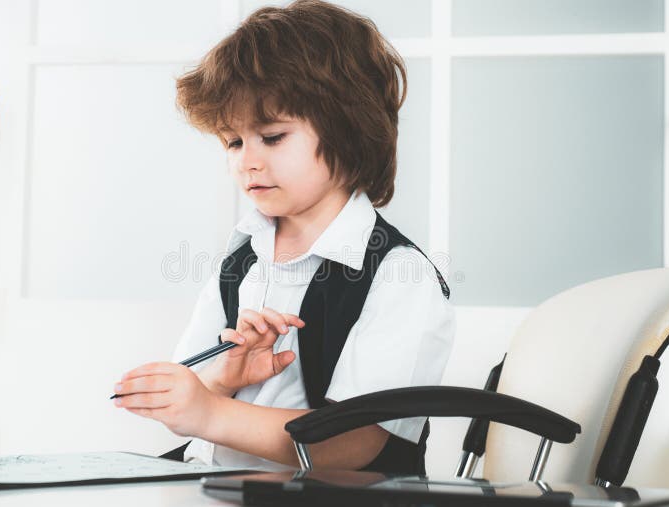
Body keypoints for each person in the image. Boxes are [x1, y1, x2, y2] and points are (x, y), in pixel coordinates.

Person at [113, 0, 455, 474]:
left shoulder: (400, 276)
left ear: (350, 133)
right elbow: (190, 403)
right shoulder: (242, 259)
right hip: (212, 482)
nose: (247, 161)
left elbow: (355, 444)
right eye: (233, 142)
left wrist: (210, 412)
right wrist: (220, 380)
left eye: (272, 137)